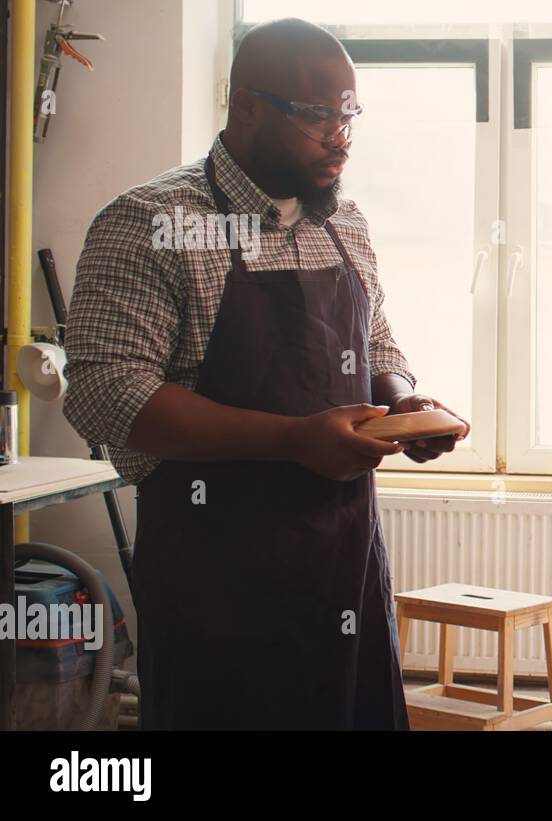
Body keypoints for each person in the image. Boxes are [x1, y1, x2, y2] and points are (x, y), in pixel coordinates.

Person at [62, 18, 466, 729]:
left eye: (350, 114)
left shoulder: (345, 223)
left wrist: (405, 404)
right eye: (316, 115)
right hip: (215, 585)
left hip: (342, 568)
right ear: (244, 105)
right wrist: (294, 439)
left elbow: (376, 345)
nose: (340, 135)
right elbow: (106, 392)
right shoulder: (151, 222)